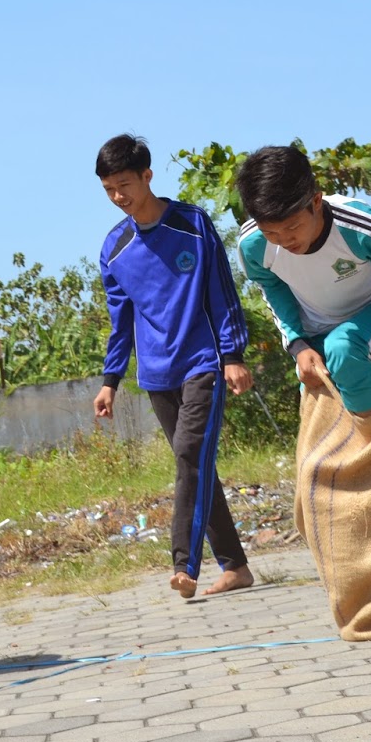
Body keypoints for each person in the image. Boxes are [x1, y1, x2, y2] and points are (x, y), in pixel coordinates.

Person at [92, 134, 254, 600]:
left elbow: (222, 293)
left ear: (147, 175)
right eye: (108, 190)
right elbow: (120, 321)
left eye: (124, 185)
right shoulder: (115, 248)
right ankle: (236, 567)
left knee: (188, 456)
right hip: (156, 375)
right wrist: (111, 381)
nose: (118, 197)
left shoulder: (192, 223)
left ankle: (184, 564)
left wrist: (233, 356)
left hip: (203, 362)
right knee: (197, 464)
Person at [234, 145, 371, 415]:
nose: (285, 240)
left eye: (293, 226)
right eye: (271, 232)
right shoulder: (253, 246)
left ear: (316, 201)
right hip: (319, 328)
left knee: (342, 349)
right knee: (313, 385)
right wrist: (298, 345)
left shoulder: (360, 228)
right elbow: (272, 288)